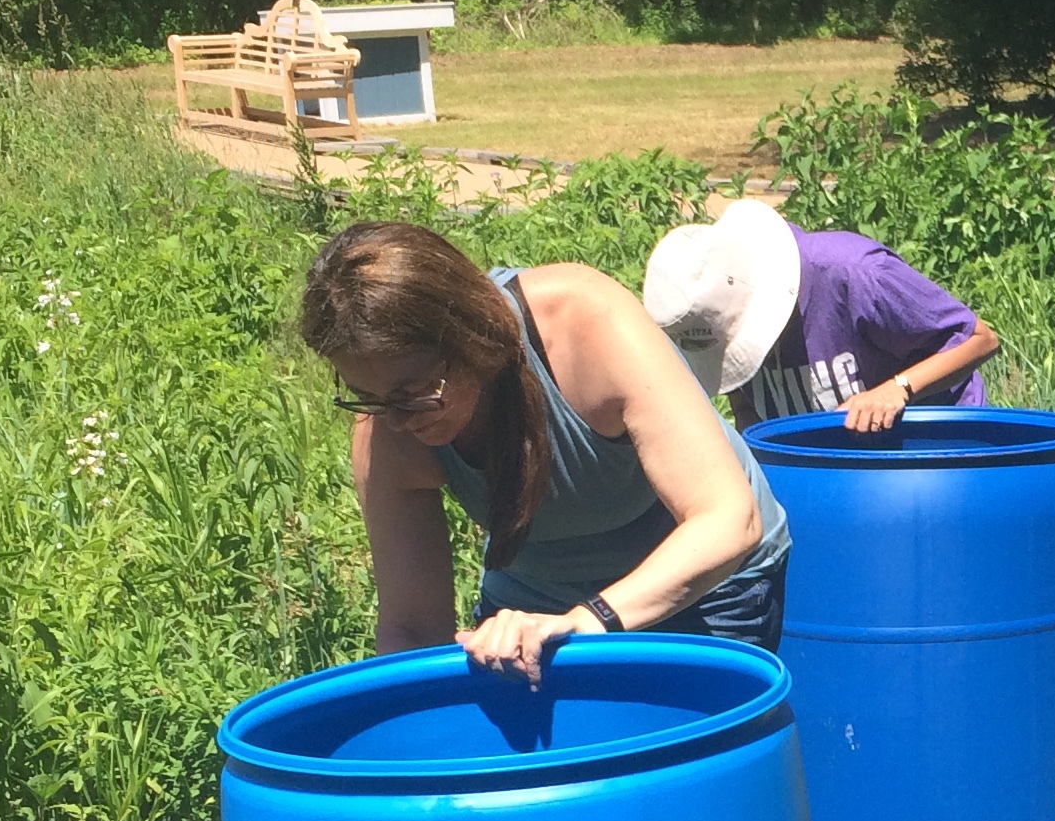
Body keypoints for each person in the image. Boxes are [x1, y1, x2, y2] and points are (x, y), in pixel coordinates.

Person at [300, 221, 791, 683]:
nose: (397, 420)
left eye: (414, 391)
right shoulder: (388, 426)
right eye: (369, 395)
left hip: (704, 583)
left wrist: (583, 621)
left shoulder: (584, 325)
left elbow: (727, 519)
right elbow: (411, 629)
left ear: (473, 336)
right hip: (535, 603)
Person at [640, 198, 1000, 432]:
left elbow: (978, 339)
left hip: (931, 450)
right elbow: (746, 407)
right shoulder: (708, 315)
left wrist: (897, 389)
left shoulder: (853, 273)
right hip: (828, 478)